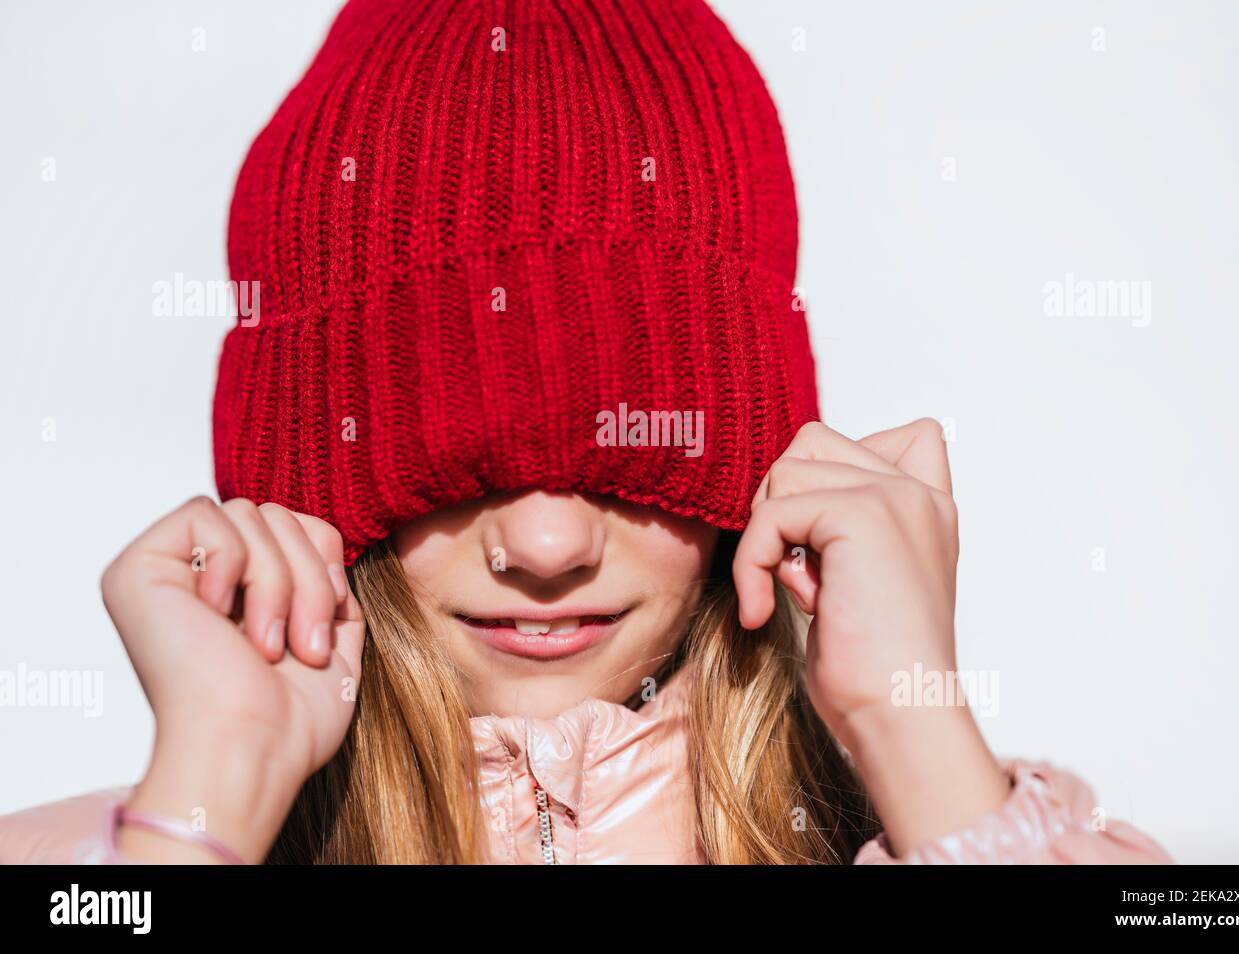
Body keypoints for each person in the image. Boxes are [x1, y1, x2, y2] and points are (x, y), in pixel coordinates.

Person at [0, 0, 1170, 865]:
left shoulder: (1015, 837)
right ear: (304, 482)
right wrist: (206, 806)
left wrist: (913, 735)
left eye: (632, 462)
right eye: (454, 464)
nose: (550, 548)